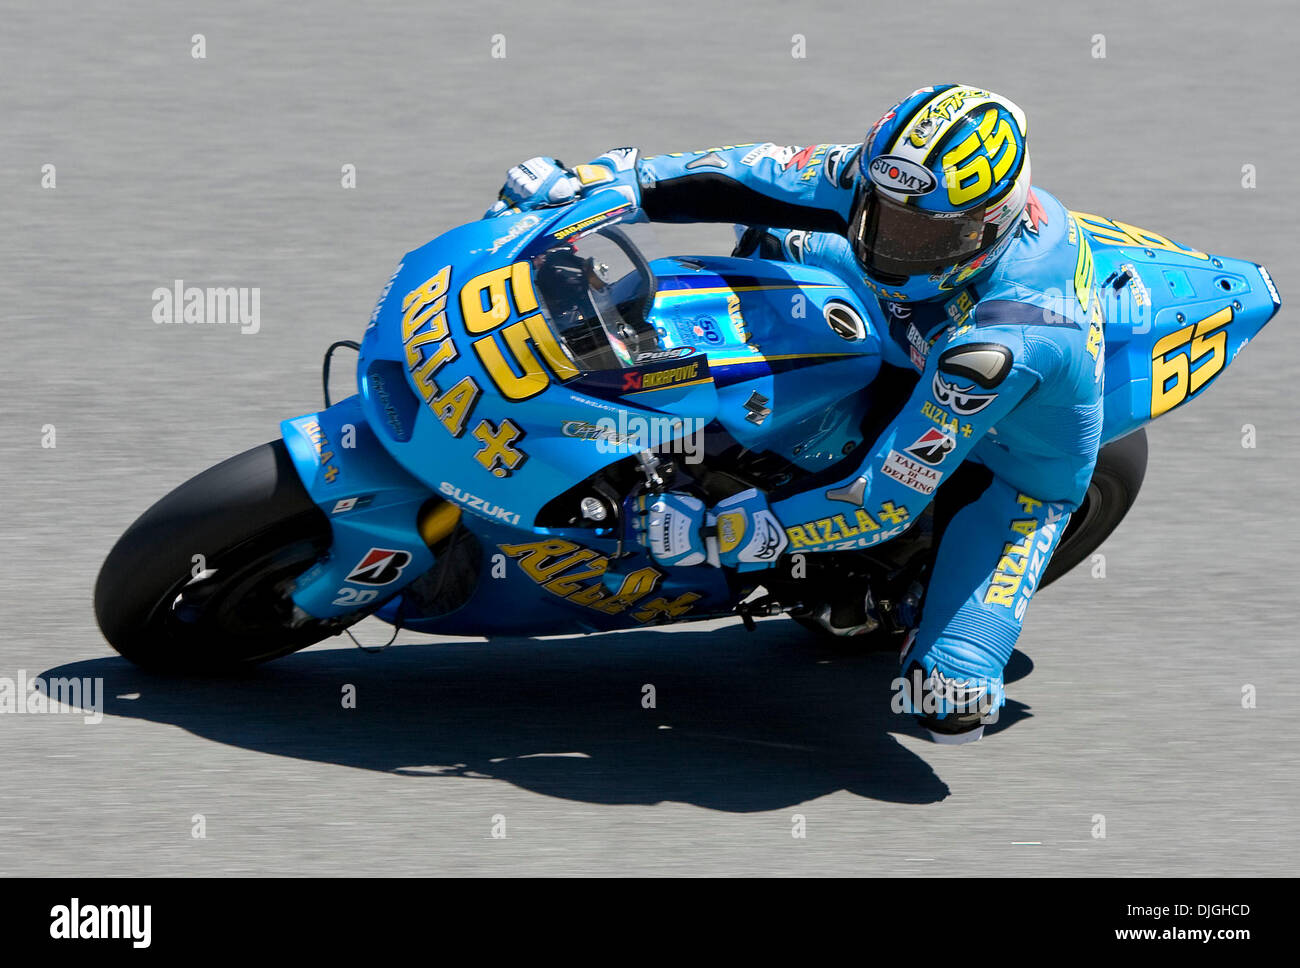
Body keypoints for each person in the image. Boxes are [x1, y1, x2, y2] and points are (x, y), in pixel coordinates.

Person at [489, 85, 1104, 744]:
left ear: (989, 224)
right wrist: (603, 185)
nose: (890, 242)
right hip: (908, 320)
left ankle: (932, 627)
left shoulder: (1008, 338)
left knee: (946, 705)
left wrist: (715, 535)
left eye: (922, 233)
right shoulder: (886, 183)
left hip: (1015, 455)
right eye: (881, 214)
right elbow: (743, 173)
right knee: (773, 231)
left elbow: (884, 498)